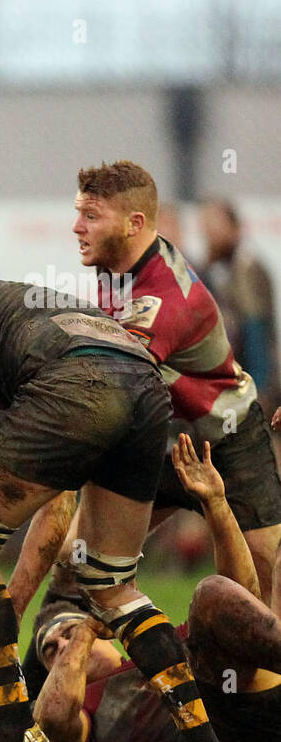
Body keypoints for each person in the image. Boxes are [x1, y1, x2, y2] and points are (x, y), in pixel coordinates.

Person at [0, 263, 236, 742]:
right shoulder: (35, 316)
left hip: (84, 385)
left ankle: (12, 741)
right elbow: (56, 501)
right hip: (145, 387)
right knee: (111, 582)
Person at [0, 436, 281, 742]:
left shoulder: (155, 648)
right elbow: (53, 721)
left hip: (260, 691)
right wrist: (83, 631)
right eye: (52, 650)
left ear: (112, 639)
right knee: (210, 594)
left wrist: (216, 503)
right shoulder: (90, 713)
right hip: (239, 722)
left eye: (63, 634)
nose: (60, 644)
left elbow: (241, 600)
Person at [67, 162, 281, 609]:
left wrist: (266, 391)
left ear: (135, 225)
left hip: (231, 430)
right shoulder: (117, 268)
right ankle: (57, 664)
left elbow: (259, 338)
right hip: (172, 441)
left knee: (264, 584)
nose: (76, 227)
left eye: (90, 216)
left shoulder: (191, 285)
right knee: (77, 562)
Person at [200, 197, 279, 415]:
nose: (209, 233)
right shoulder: (210, 269)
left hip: (251, 381)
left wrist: (259, 390)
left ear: (234, 229)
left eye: (215, 225)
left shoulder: (246, 268)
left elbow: (257, 332)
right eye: (206, 226)